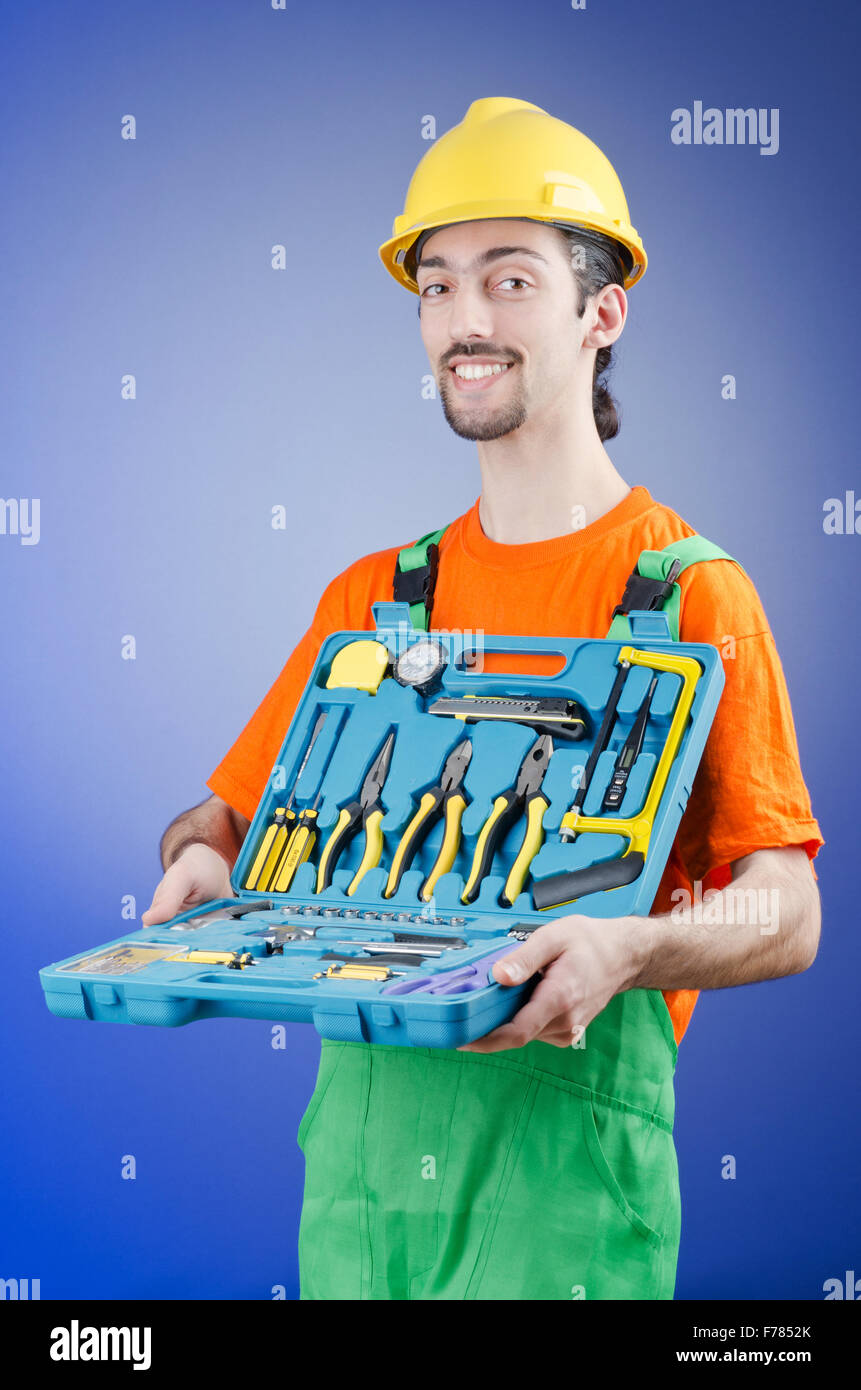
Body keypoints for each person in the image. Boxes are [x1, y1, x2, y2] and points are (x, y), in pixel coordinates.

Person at [142, 97, 823, 1300]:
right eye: (438, 284)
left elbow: (785, 911)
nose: (466, 320)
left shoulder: (688, 599)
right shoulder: (376, 600)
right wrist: (203, 864)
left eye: (511, 281)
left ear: (602, 313)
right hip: (359, 1193)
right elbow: (223, 825)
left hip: (567, 1187)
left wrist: (633, 945)